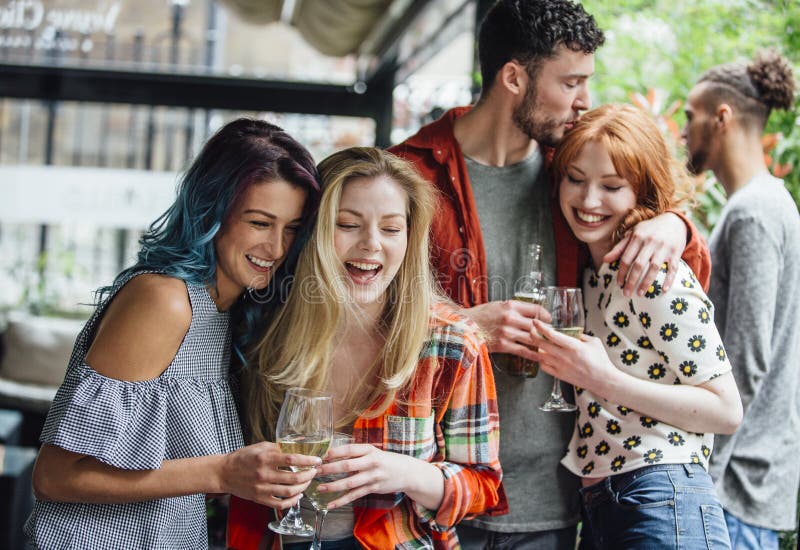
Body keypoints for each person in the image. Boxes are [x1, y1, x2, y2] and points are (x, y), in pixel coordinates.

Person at [389, 1, 712, 546]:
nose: (585, 99)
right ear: (514, 78)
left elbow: (685, 280)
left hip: (554, 500)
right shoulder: (408, 174)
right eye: (571, 82)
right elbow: (350, 315)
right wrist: (464, 326)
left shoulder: (576, 176)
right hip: (438, 490)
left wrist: (675, 224)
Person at [25, 118, 323, 549]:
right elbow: (54, 476)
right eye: (260, 223)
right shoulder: (164, 300)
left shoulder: (228, 310)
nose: (277, 248)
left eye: (292, 228)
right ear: (212, 212)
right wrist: (222, 472)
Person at [226, 147, 505, 549]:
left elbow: (484, 488)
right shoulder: (265, 327)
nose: (371, 244)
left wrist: (405, 472)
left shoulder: (452, 343)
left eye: (391, 229)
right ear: (313, 231)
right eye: (347, 224)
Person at [529, 102, 742, 548]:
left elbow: (726, 411)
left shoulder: (654, 274)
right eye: (575, 179)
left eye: (611, 186)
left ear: (642, 190)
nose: (589, 201)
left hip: (662, 495)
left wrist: (603, 379)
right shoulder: (591, 270)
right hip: (608, 504)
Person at [682, 51, 800, 548]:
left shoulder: (754, 212)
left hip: (734, 488)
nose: (683, 131)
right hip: (742, 483)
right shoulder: (761, 204)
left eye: (690, 116)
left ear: (722, 117)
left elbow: (746, 360)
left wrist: (704, 473)